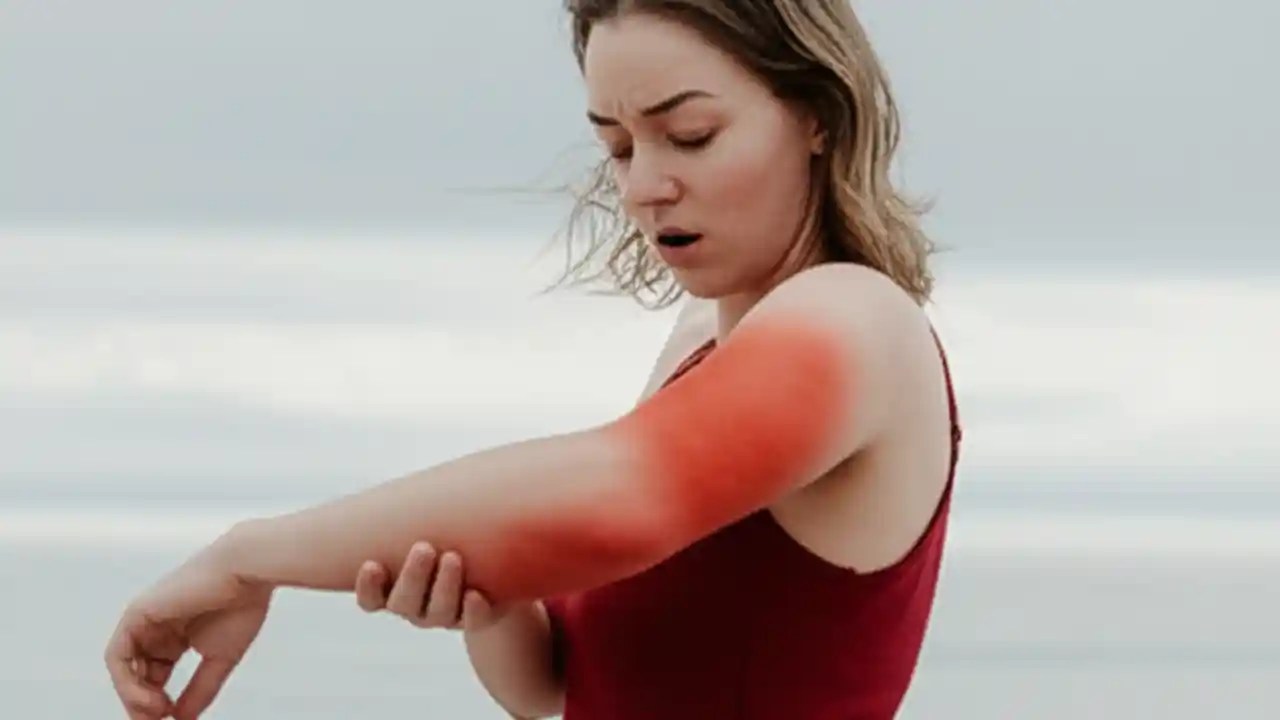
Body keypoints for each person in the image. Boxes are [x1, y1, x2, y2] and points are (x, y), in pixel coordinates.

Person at [103, 0, 963, 718]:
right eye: (619, 147)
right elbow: (553, 686)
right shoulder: (699, 344)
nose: (641, 187)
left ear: (817, 112)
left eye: (690, 135)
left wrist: (246, 557)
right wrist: (492, 594)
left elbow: (620, 498)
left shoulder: (855, 322)